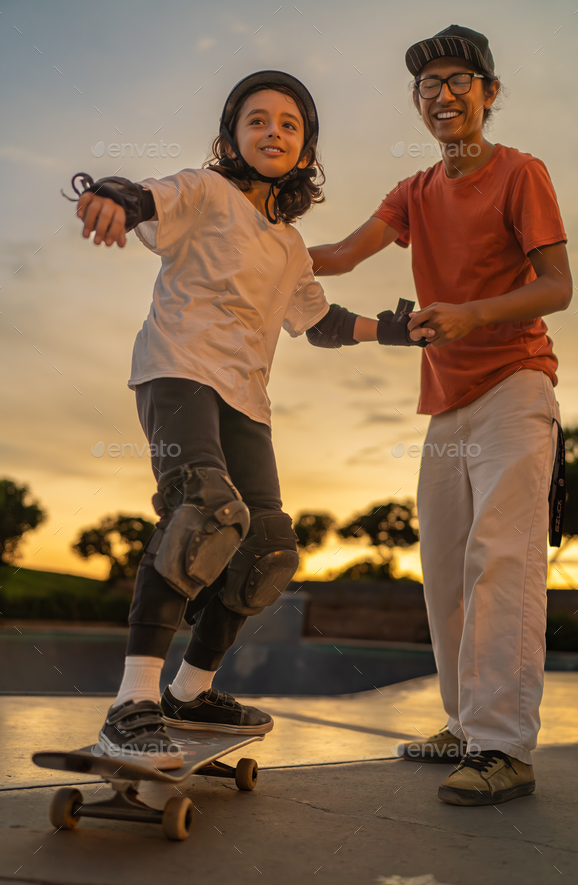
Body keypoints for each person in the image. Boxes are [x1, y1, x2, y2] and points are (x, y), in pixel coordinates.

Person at [68, 70, 434, 763]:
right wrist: (112, 196)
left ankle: (190, 690)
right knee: (204, 509)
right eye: (257, 120)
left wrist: (394, 331)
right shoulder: (205, 192)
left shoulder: (289, 245)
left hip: (247, 398)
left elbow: (317, 320)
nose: (273, 132)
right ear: (233, 136)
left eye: (289, 124)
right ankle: (132, 701)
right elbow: (148, 196)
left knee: (268, 546)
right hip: (177, 370)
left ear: (306, 148)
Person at [308, 26, 572, 806]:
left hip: (517, 386)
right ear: (418, 105)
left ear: (488, 94)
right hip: (447, 403)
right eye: (429, 86)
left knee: (503, 556)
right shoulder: (415, 192)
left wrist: (470, 315)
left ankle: (504, 746)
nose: (443, 95)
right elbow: (342, 253)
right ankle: (465, 725)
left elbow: (558, 285)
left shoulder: (521, 172)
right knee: (447, 571)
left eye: (460, 81)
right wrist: (248, 224)